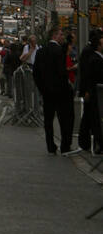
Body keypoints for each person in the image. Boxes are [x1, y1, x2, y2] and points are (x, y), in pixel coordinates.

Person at [33, 25, 80, 155]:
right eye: (61, 35)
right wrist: (66, 86)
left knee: (48, 120)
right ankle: (65, 146)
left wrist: (42, 88)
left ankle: (50, 146)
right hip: (61, 92)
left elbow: (35, 73)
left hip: (47, 92)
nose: (62, 37)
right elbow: (61, 72)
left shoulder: (41, 51)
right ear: (54, 36)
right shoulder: (59, 52)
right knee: (65, 119)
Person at [77, 28, 103, 154]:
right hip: (92, 92)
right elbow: (88, 74)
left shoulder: (90, 52)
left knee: (88, 117)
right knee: (92, 117)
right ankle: (90, 142)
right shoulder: (91, 54)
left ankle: (86, 142)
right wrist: (87, 90)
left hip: (91, 91)